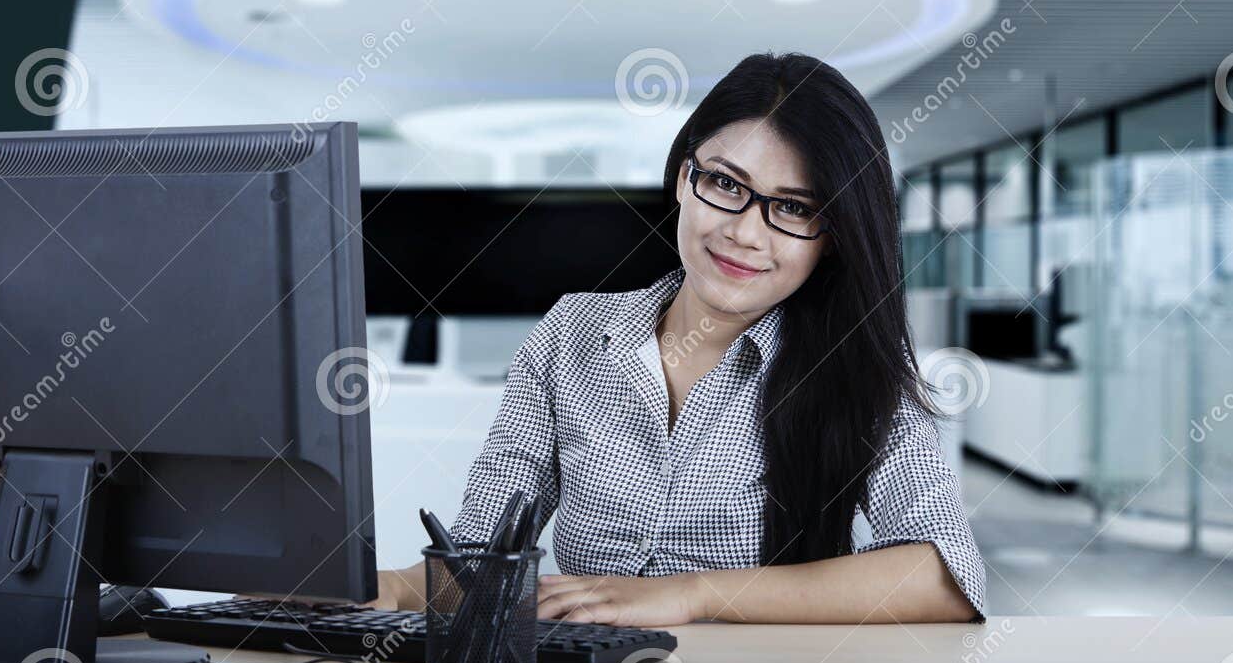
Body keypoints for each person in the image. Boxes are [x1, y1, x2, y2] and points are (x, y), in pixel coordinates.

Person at [372, 51, 985, 626]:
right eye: (725, 185)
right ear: (682, 178)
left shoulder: (858, 368)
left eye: (795, 208)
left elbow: (947, 577)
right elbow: (482, 559)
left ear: (836, 235)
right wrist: (396, 588)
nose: (746, 233)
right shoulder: (570, 335)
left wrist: (696, 594)